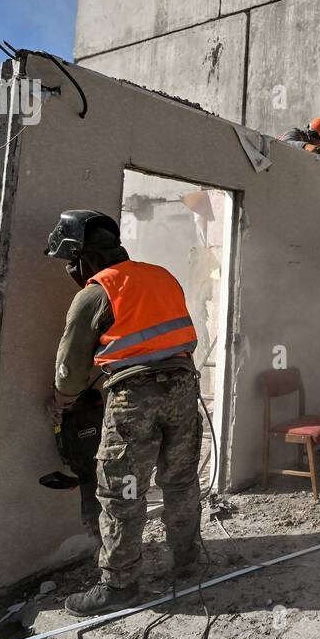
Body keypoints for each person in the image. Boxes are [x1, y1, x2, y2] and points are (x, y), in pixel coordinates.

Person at [44, 209, 203, 616]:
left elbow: (70, 367)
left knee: (122, 490)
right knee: (181, 478)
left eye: (70, 263)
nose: (71, 271)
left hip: (136, 398)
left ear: (83, 258)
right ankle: (189, 560)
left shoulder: (95, 293)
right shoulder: (161, 275)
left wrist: (63, 399)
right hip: (184, 386)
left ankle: (118, 585)